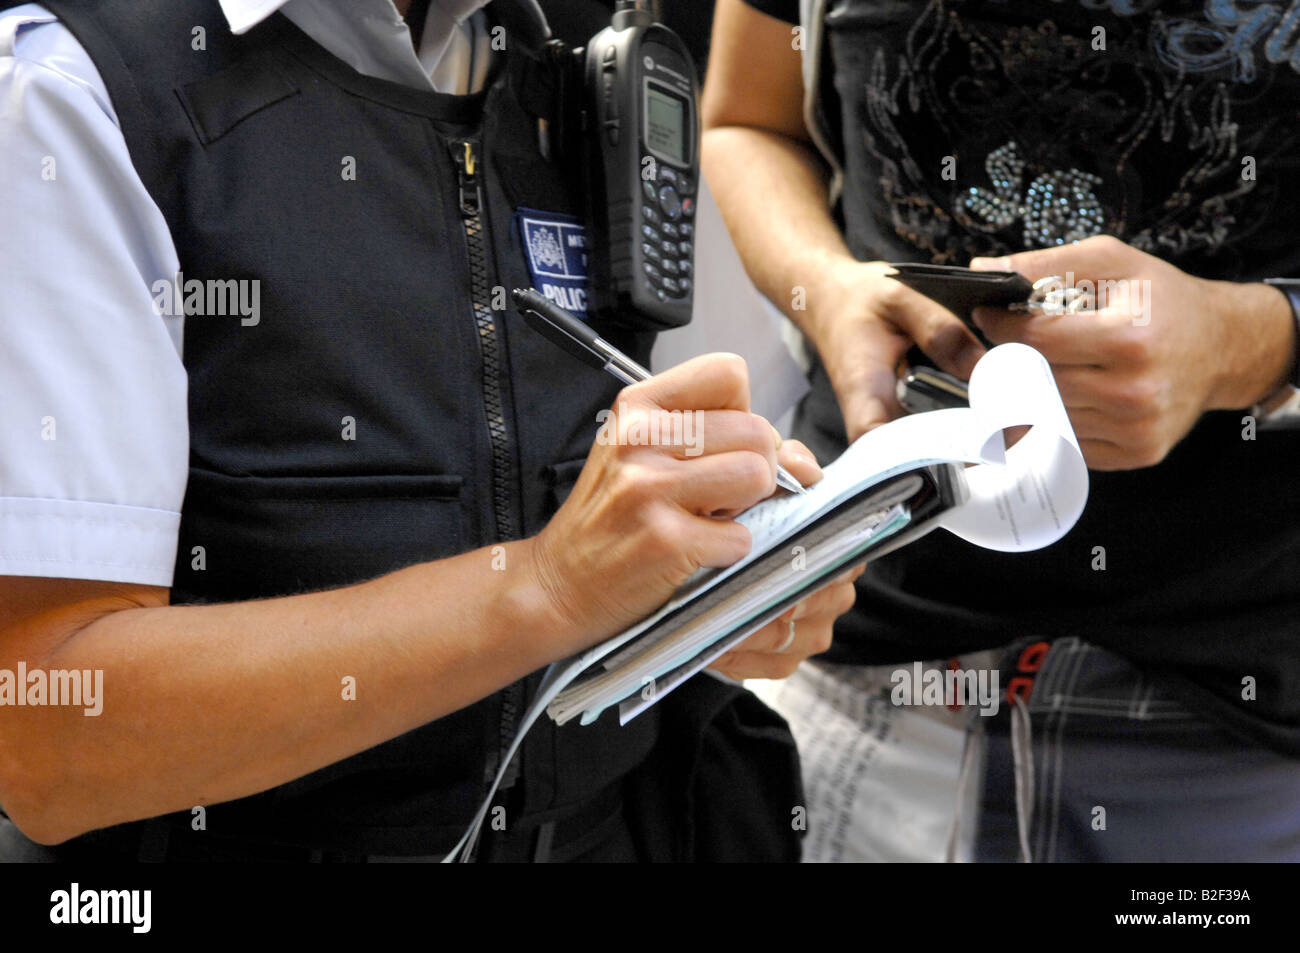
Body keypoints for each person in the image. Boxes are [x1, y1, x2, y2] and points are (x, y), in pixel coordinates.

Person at [0, 0, 862, 863]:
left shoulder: (576, 52)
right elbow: (46, 738)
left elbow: (587, 507)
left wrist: (705, 579)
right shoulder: (76, 87)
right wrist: (547, 588)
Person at [702, 0, 1300, 861]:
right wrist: (827, 289)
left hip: (1237, 718)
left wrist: (1250, 343)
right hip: (866, 666)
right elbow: (745, 119)